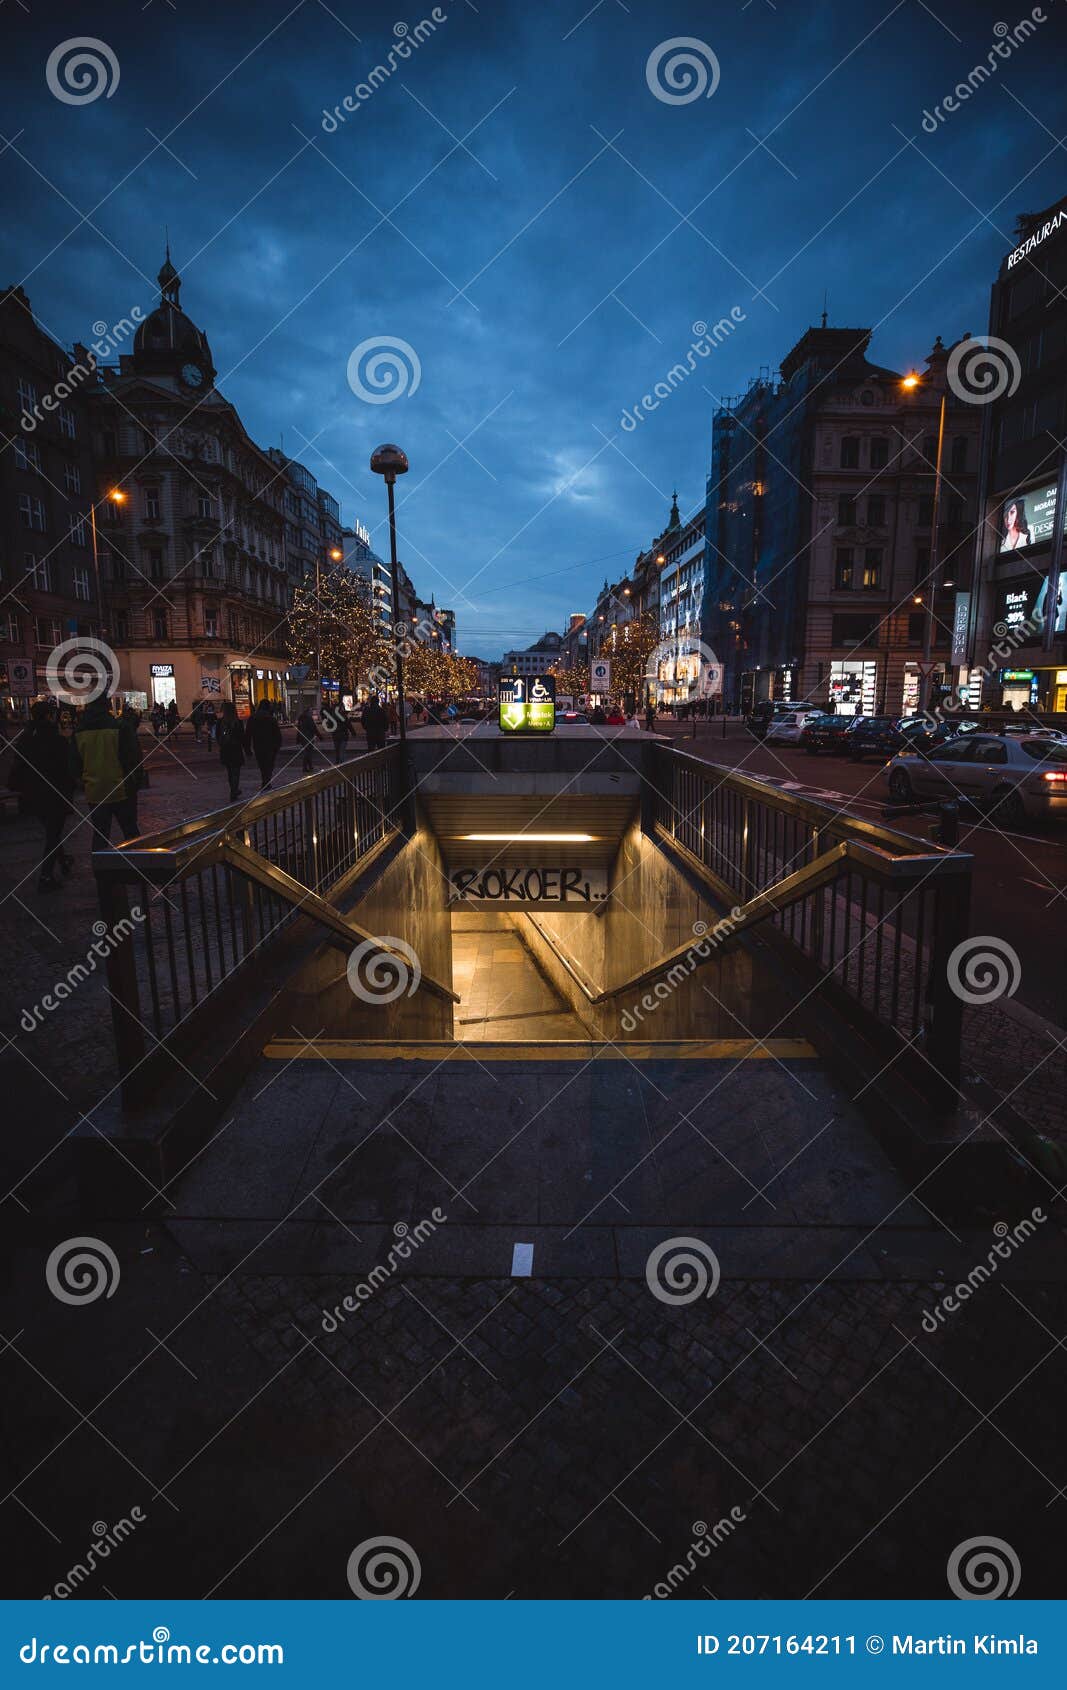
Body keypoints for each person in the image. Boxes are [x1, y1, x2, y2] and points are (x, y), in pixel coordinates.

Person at [9, 702, 75, 893]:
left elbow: (19, 765)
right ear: (48, 716)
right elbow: (66, 769)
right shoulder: (57, 740)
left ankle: (63, 861)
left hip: (32, 794)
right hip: (54, 793)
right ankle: (46, 876)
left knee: (51, 831)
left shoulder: (26, 738)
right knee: (53, 834)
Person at [71, 695, 143, 851]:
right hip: (121, 788)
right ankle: (138, 868)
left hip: (95, 791)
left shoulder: (78, 732)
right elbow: (132, 758)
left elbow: (75, 764)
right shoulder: (119, 727)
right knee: (131, 833)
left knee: (100, 835)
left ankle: (101, 870)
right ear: (107, 706)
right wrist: (136, 781)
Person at [245, 698, 282, 790]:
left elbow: (248, 734)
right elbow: (277, 734)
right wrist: (278, 745)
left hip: (258, 745)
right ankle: (266, 781)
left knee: (262, 765)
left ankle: (265, 781)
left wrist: (247, 748)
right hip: (270, 745)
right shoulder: (271, 718)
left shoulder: (253, 718)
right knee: (269, 764)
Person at [217, 702, 245, 800]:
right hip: (236, 749)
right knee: (236, 771)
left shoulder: (220, 722)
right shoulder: (237, 722)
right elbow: (242, 737)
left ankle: (233, 789)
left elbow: (217, 737)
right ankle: (234, 790)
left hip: (226, 750)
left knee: (229, 771)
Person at [296, 705, 322, 773]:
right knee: (308, 752)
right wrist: (319, 736)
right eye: (311, 711)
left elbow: (299, 729)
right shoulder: (309, 718)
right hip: (308, 737)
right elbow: (313, 728)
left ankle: (310, 766)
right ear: (308, 712)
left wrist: (298, 738)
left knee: (308, 752)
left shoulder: (301, 718)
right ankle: (305, 767)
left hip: (303, 738)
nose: (312, 713)